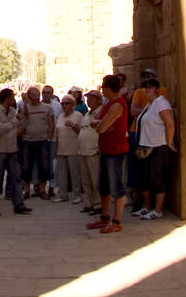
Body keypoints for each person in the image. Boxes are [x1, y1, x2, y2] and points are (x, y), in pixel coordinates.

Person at [86, 75, 129, 233]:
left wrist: (99, 124)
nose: (102, 90)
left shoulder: (118, 104)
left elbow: (101, 126)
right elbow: (97, 119)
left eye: (103, 87)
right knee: (103, 186)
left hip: (115, 150)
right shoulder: (109, 103)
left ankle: (116, 221)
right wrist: (99, 123)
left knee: (116, 186)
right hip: (105, 148)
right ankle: (104, 218)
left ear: (108, 88)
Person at [0, 88, 32, 216]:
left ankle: (19, 205)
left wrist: (25, 115)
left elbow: (23, 125)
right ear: (7, 98)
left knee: (16, 178)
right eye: (12, 97)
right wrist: (15, 121)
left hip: (12, 148)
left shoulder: (12, 111)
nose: (14, 100)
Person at [135, 78, 176, 220]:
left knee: (157, 179)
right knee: (144, 179)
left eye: (150, 87)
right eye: (145, 87)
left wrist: (169, 142)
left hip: (158, 146)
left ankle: (158, 210)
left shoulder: (161, 103)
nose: (147, 89)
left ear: (156, 89)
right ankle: (147, 207)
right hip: (145, 146)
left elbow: (170, 123)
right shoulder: (149, 105)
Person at [20, 86, 55, 200]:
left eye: (36, 94)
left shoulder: (47, 108)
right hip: (28, 141)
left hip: (43, 141)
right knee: (26, 167)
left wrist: (49, 138)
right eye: (32, 94)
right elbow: (22, 123)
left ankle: (42, 190)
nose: (35, 96)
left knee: (43, 166)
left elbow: (51, 124)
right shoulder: (25, 108)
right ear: (29, 96)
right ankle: (26, 190)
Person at [52, 94, 83, 203]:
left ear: (73, 104)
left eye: (67, 103)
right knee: (62, 173)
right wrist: (56, 149)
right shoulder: (60, 116)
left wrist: (74, 126)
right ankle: (63, 194)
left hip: (74, 148)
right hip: (61, 148)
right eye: (62, 103)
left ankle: (77, 194)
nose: (64, 105)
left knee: (75, 173)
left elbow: (82, 132)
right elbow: (57, 134)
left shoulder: (78, 115)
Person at [78, 90, 102, 212]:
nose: (89, 101)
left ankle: (98, 204)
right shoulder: (86, 115)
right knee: (86, 180)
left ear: (99, 100)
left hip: (94, 151)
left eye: (92, 98)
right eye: (88, 98)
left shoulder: (102, 113)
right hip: (83, 151)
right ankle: (89, 203)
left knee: (95, 179)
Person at [41, 85, 63, 198]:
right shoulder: (38, 105)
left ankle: (52, 187)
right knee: (42, 163)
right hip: (41, 138)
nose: (46, 94)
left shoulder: (58, 106)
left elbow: (59, 121)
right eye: (44, 92)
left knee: (53, 163)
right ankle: (41, 187)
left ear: (52, 94)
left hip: (53, 138)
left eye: (48, 92)